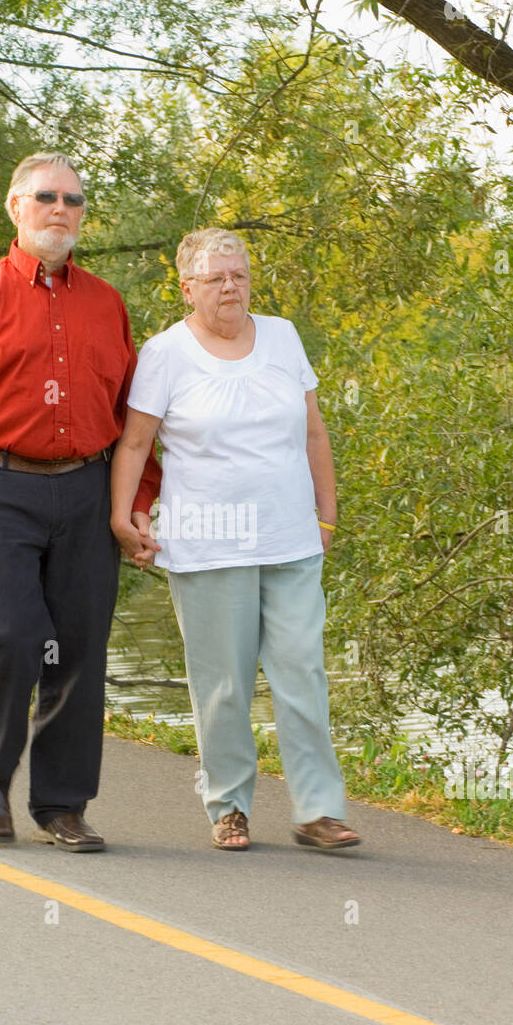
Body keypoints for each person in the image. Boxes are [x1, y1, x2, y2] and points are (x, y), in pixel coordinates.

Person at [0, 152, 160, 851]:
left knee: (78, 647)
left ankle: (61, 804)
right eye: (46, 197)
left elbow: (136, 417)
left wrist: (137, 501)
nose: (60, 209)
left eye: (73, 200)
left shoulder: (106, 304)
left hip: (86, 488)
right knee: (11, 634)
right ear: (14, 208)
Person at [110, 227, 359, 851]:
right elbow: (136, 443)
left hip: (291, 537)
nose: (231, 286)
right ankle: (228, 806)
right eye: (217, 277)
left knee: (302, 672)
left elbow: (314, 433)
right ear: (188, 287)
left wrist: (326, 515)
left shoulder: (281, 335)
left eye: (240, 275)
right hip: (208, 544)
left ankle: (317, 810)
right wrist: (122, 517)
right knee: (223, 685)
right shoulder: (165, 353)